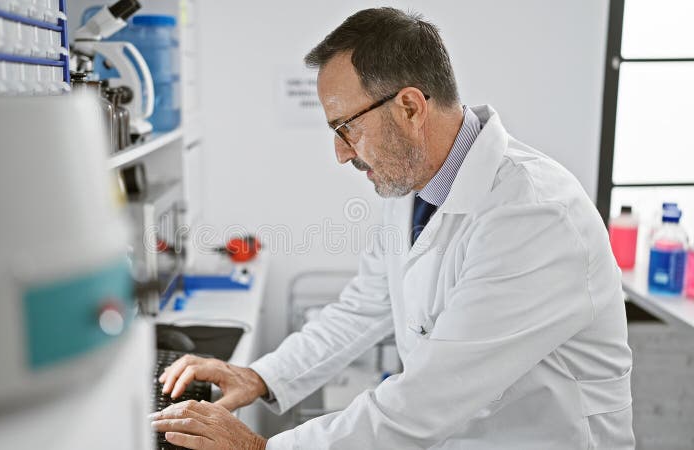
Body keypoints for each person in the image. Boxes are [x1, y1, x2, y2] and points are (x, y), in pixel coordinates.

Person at [149, 7, 634, 449]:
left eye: (346, 127)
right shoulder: (413, 185)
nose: (341, 153)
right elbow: (365, 307)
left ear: (409, 107)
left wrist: (260, 447)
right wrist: (258, 376)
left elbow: (429, 399)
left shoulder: (534, 216)